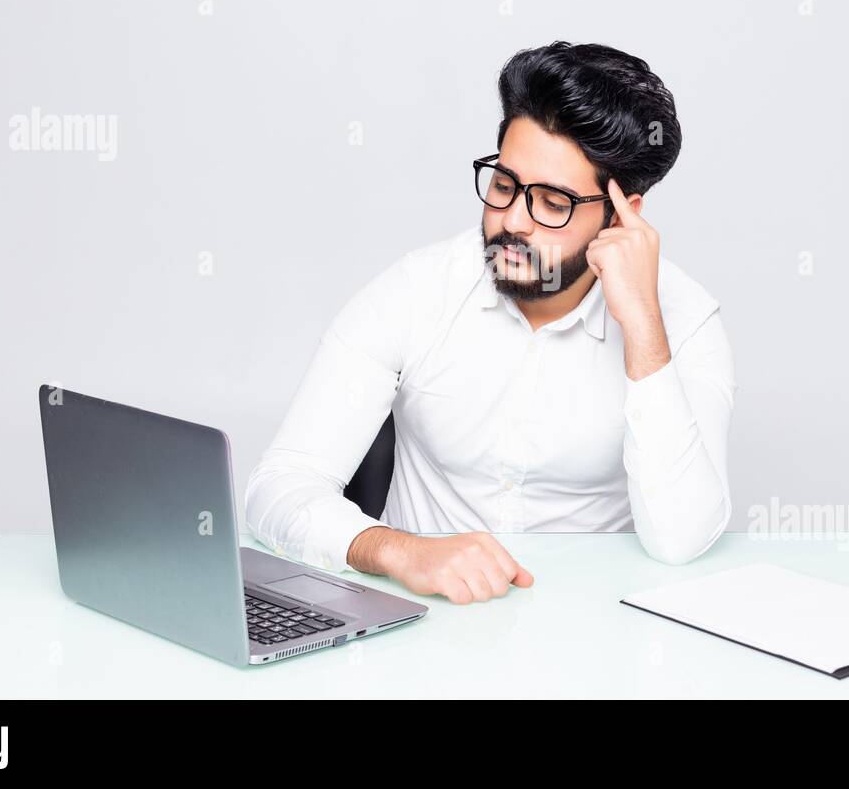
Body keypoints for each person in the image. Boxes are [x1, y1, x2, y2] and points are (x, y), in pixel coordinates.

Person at [246, 41, 736, 604]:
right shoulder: (416, 290)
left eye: (553, 202)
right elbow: (277, 489)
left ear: (622, 215)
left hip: (598, 632)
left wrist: (644, 327)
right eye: (505, 185)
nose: (513, 221)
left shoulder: (685, 316)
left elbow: (682, 539)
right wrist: (399, 550)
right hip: (430, 625)